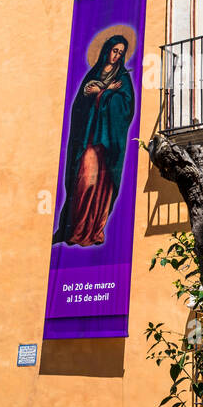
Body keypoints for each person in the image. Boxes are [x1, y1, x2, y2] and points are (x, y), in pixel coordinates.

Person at [54, 34, 136, 247]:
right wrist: (94, 93)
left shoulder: (123, 78)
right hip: (88, 140)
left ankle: (95, 231)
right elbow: (78, 107)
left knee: (101, 186)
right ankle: (77, 229)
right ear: (106, 50)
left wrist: (103, 93)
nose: (116, 55)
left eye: (120, 52)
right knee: (84, 181)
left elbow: (126, 108)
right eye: (114, 50)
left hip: (108, 143)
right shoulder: (93, 73)